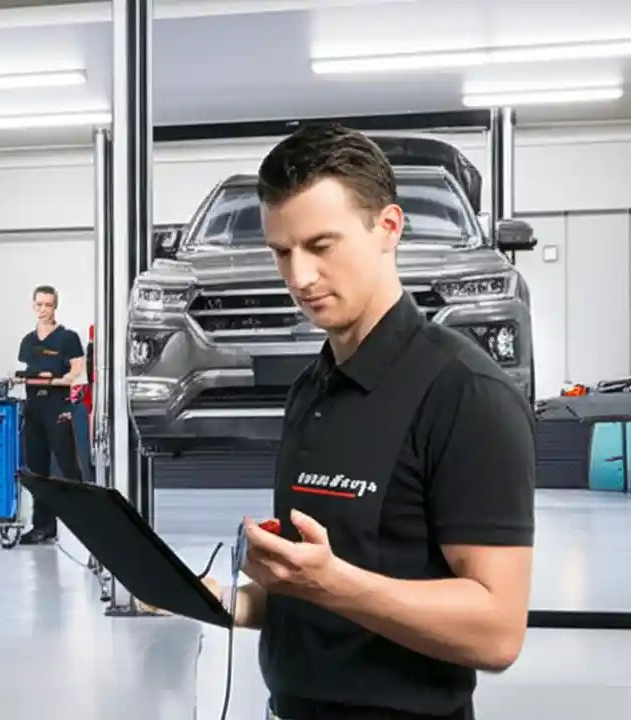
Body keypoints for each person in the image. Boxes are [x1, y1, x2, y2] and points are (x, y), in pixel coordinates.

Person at [206, 124, 536, 720]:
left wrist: (332, 583)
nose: (299, 278)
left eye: (321, 245)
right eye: (282, 251)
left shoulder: (467, 395)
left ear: (388, 227)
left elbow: (497, 632)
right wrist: (227, 601)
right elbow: (307, 595)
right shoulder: (312, 389)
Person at [17, 284, 87, 545]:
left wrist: (57, 379)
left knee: (69, 468)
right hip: (33, 408)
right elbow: (23, 371)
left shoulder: (67, 338)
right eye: (39, 304)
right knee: (38, 470)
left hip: (57, 408)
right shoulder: (28, 341)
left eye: (48, 305)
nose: (43, 309)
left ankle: (88, 522)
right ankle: (43, 527)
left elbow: (77, 372)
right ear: (33, 306)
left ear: (55, 306)